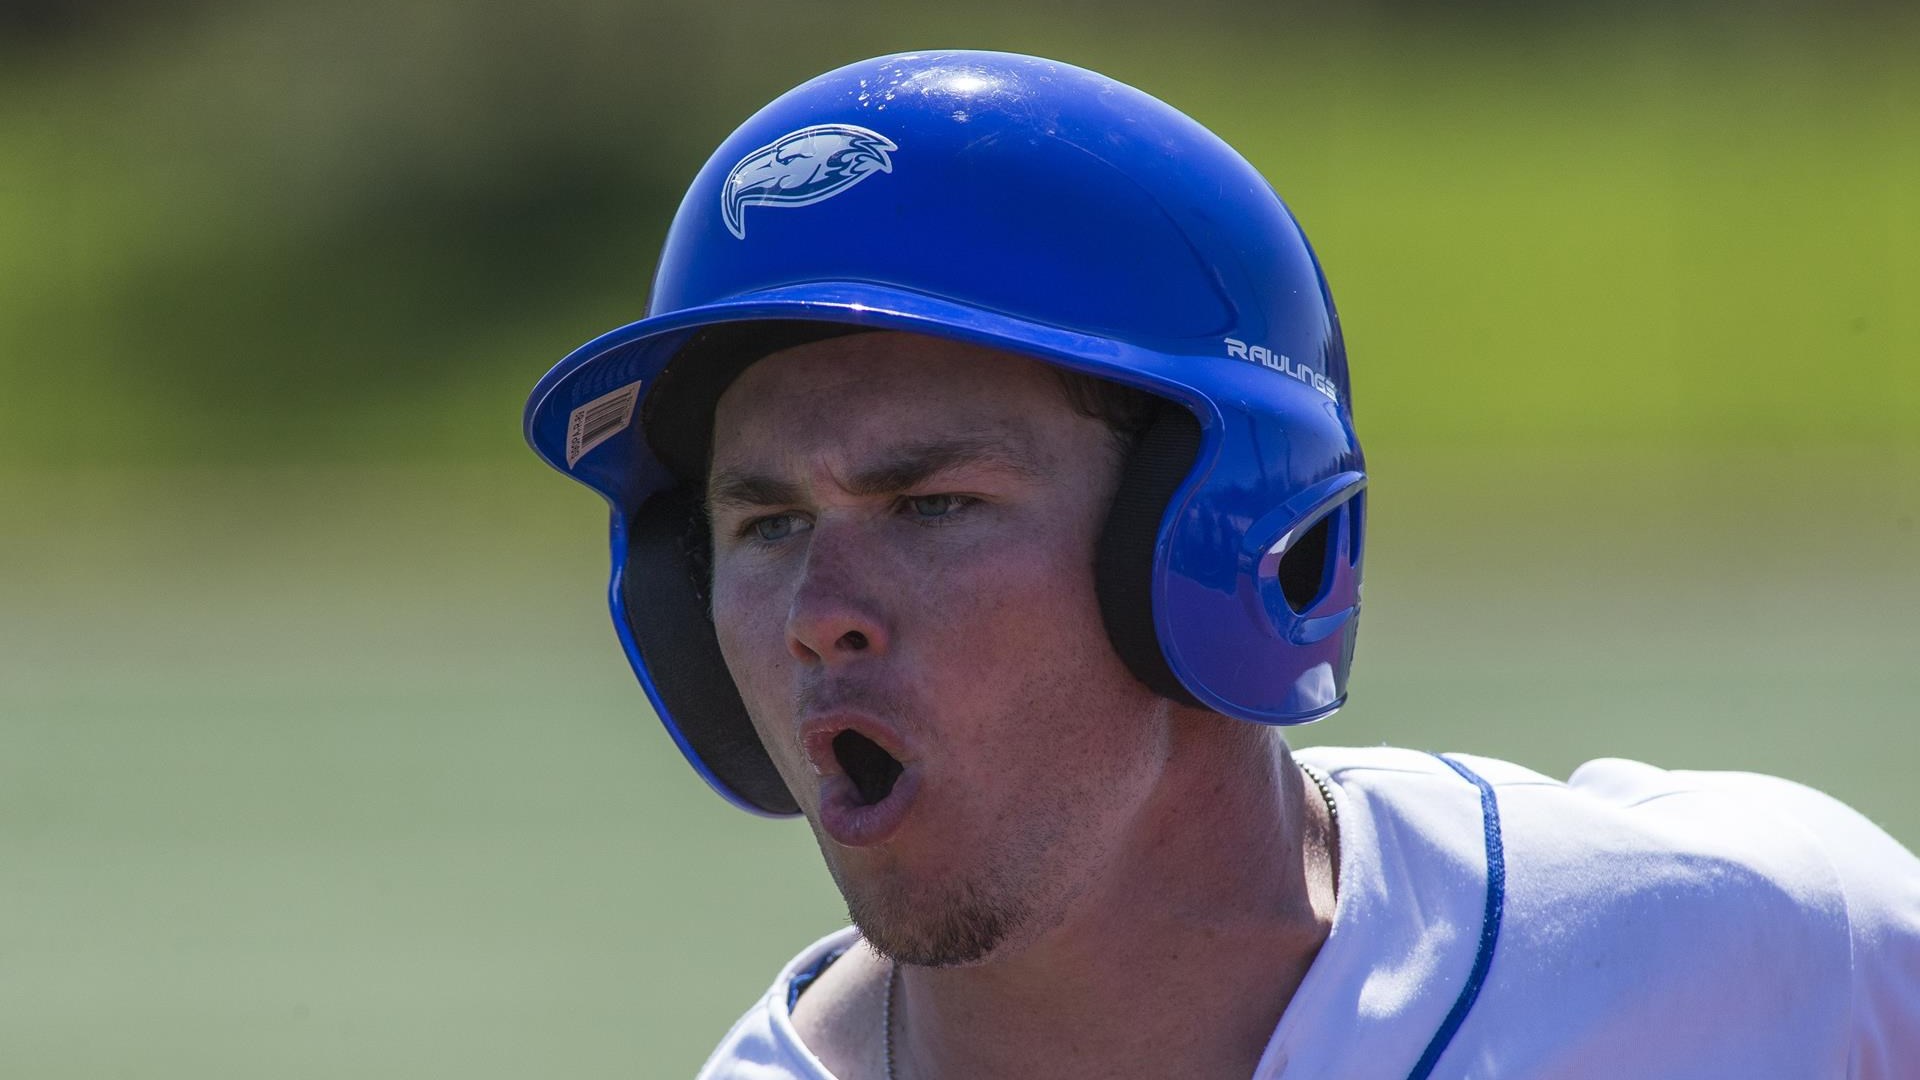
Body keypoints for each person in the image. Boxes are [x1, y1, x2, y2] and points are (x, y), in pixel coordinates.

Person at [522, 50, 1920, 1079]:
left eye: (933, 504)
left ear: (1222, 533)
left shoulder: (1741, 950)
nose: (819, 616)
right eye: (766, 527)